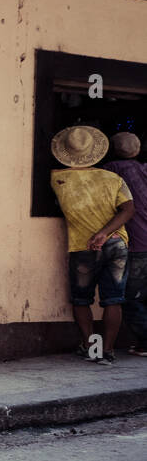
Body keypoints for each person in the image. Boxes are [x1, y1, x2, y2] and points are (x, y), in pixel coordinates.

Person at [49, 125, 134, 365]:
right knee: (114, 299)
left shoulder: (57, 178)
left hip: (83, 247)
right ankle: (107, 351)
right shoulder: (113, 178)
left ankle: (90, 347)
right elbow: (129, 209)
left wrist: (95, 235)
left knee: (81, 300)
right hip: (116, 243)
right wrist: (105, 232)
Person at [102, 131, 147, 356]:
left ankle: (145, 342)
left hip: (137, 245)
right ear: (138, 150)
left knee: (131, 298)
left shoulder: (112, 170)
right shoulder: (144, 169)